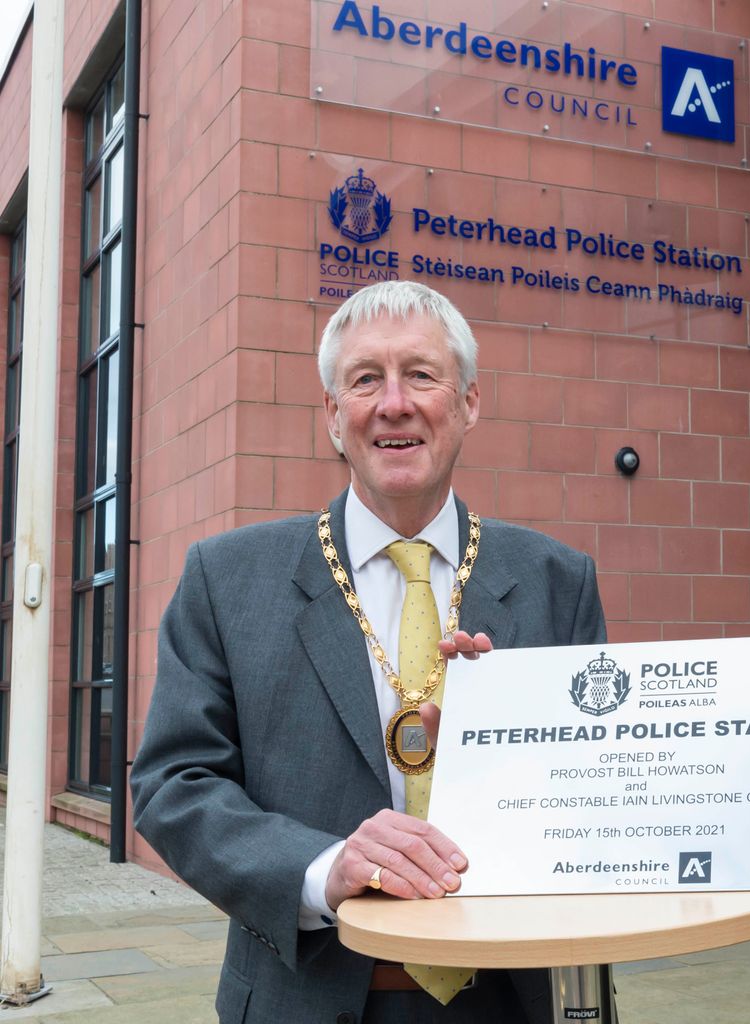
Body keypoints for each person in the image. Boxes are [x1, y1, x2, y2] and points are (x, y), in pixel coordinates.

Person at [131, 280, 605, 1023]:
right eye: (363, 380)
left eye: (420, 374)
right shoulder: (226, 579)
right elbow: (173, 783)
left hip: (510, 998)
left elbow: (596, 788)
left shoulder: (556, 581)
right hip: (305, 996)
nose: (393, 403)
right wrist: (325, 869)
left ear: (469, 402)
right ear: (332, 416)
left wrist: (500, 754)